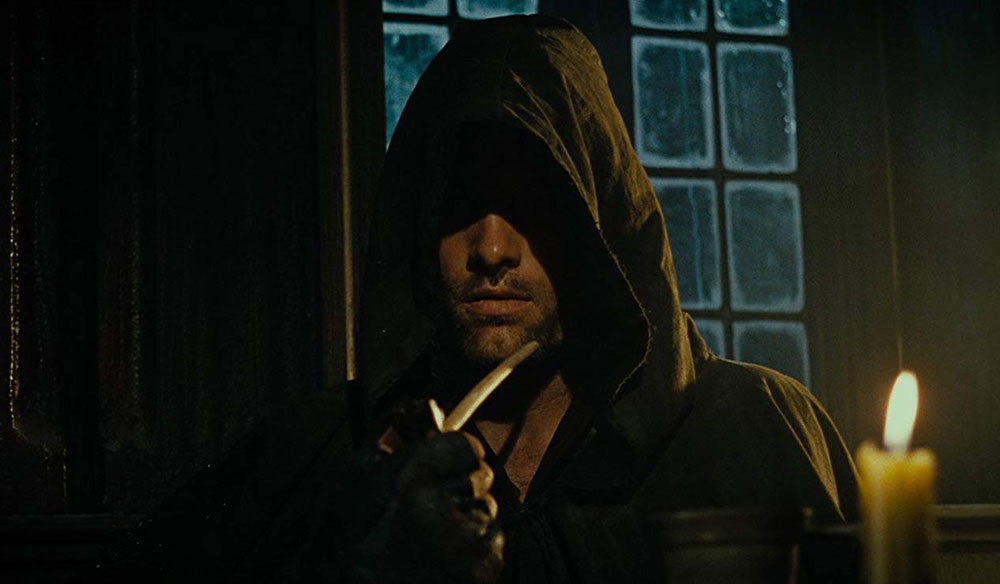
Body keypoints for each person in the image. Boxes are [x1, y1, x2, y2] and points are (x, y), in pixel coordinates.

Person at [90, 14, 858, 584]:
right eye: (461, 204)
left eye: (532, 201)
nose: (491, 248)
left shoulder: (753, 433)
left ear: (596, 220)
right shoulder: (320, 457)